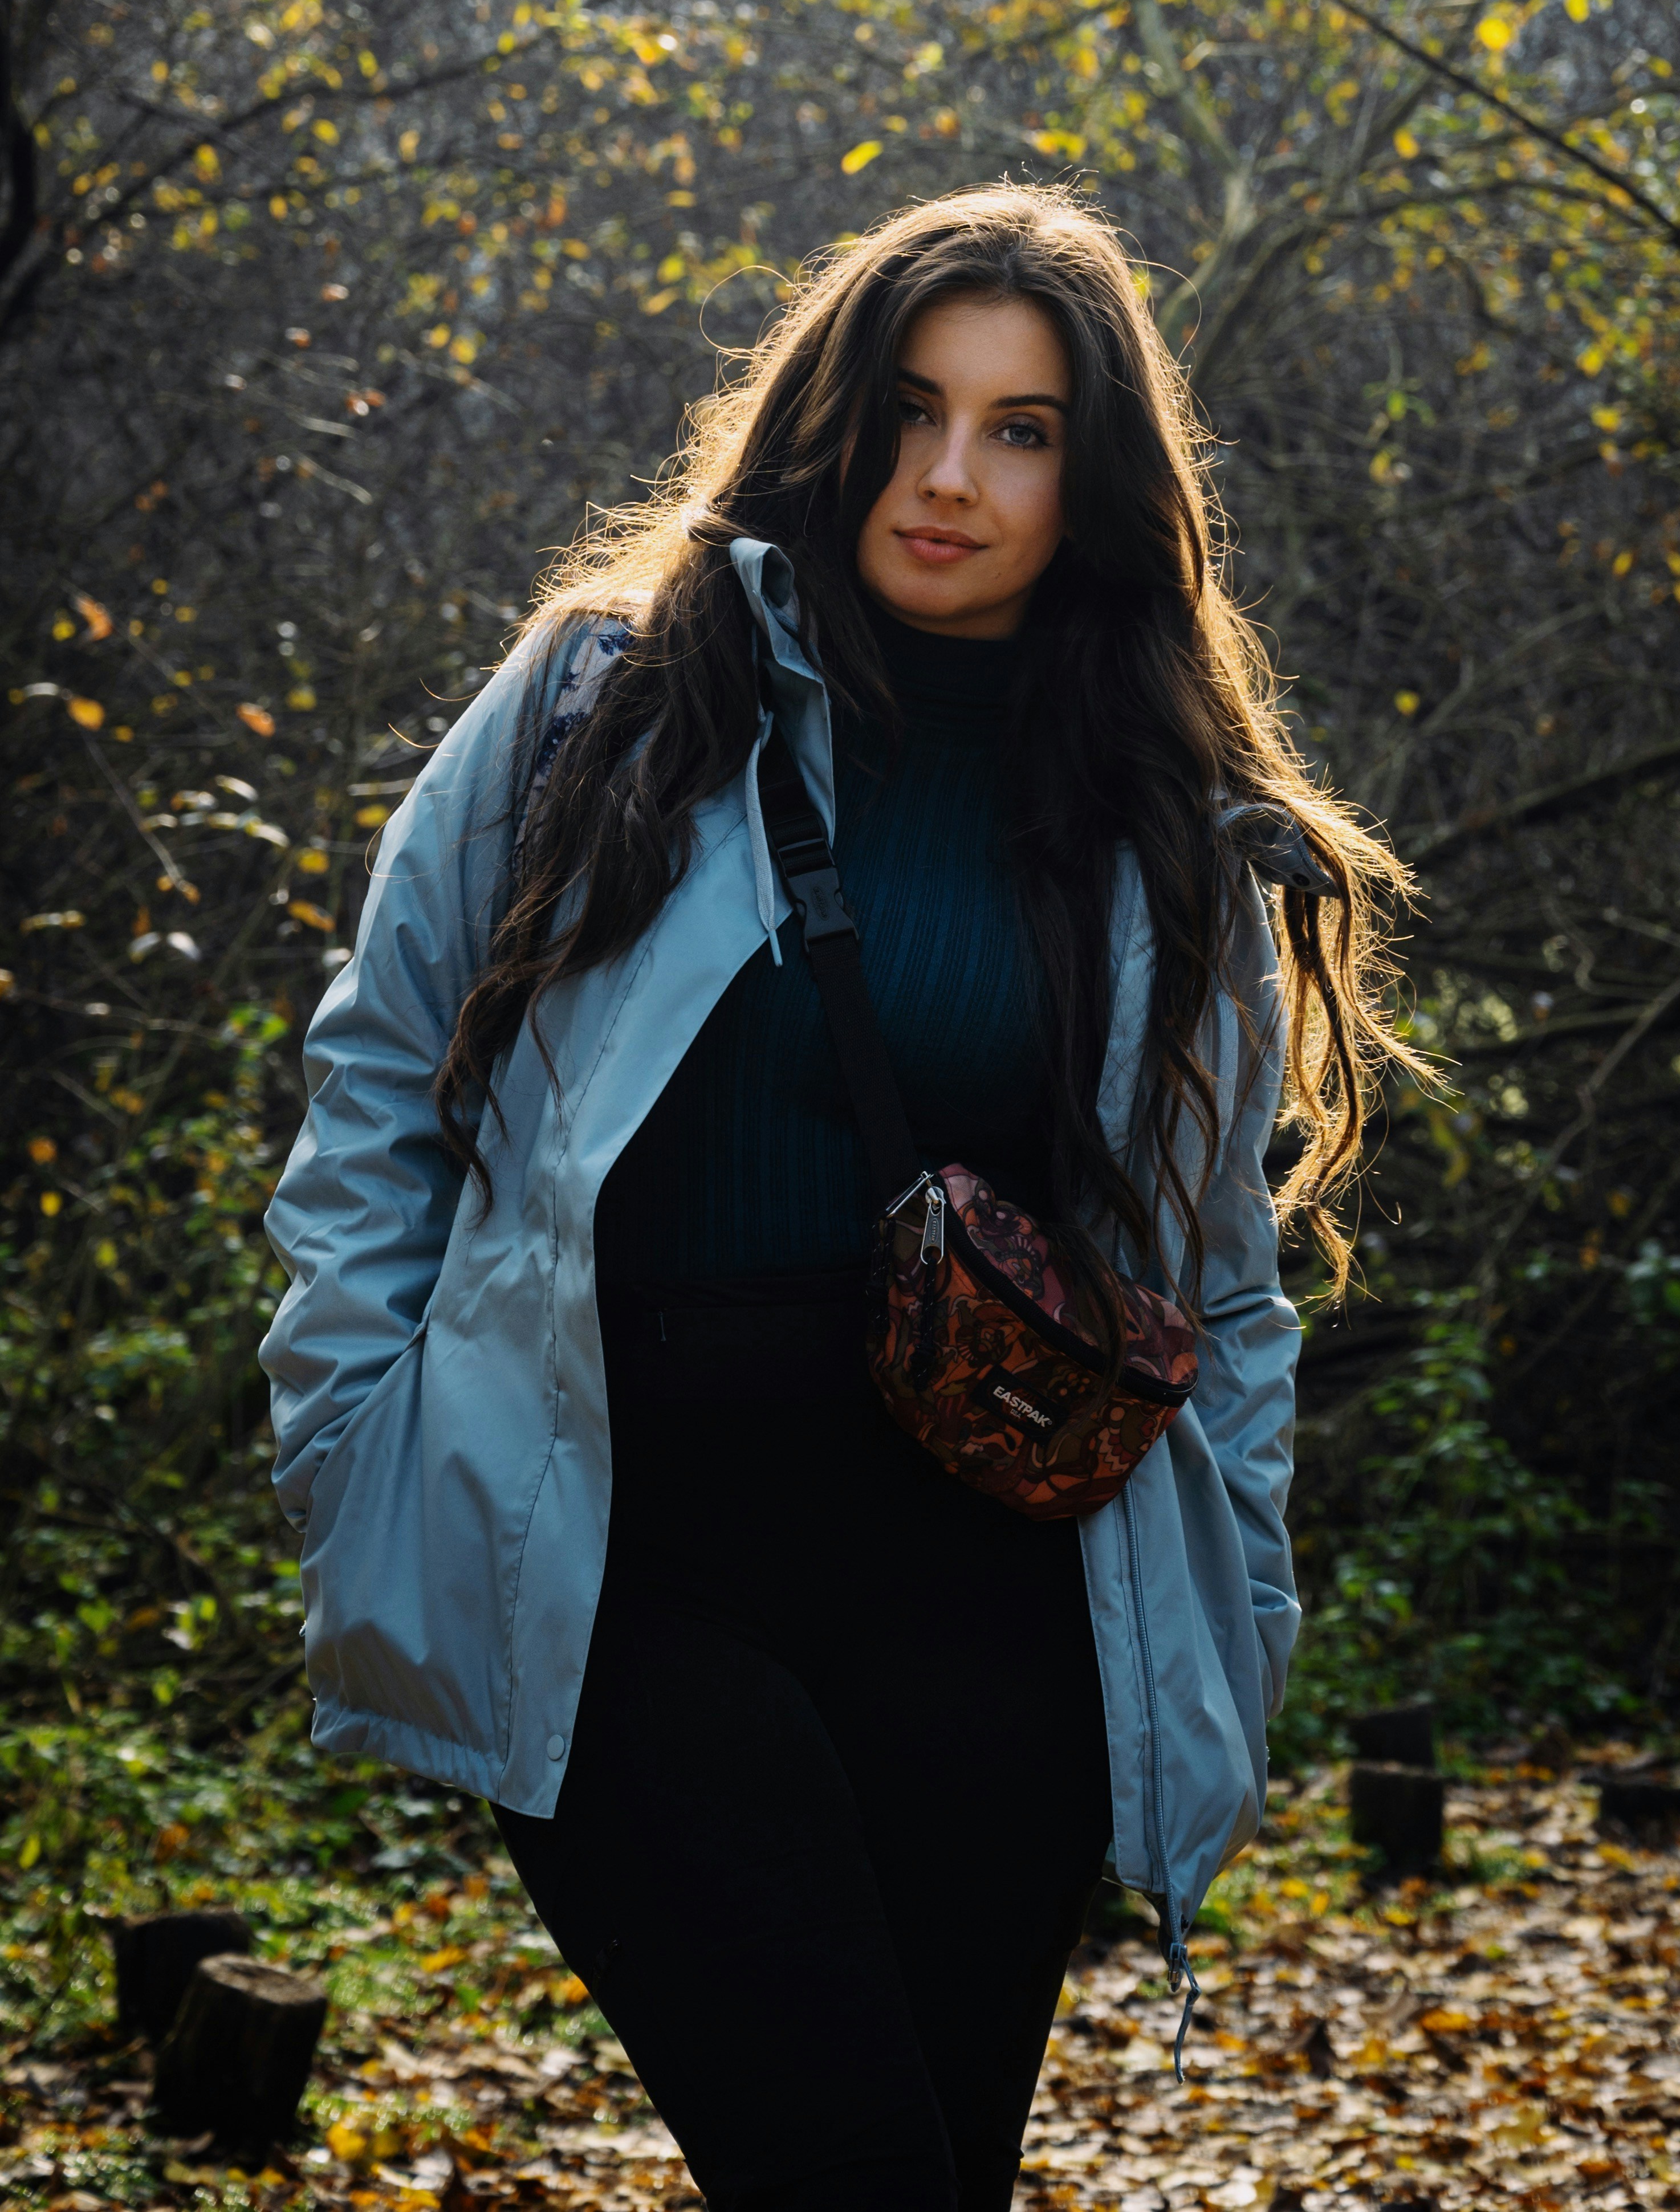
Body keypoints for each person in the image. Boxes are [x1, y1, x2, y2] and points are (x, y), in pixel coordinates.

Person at [260, 182, 1413, 2212]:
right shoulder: (596, 706)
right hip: (620, 1561)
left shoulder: (1157, 824)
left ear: (1098, 479)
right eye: (909, 406)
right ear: (829, 416)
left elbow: (1219, 1280)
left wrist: (1227, 1612)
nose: (948, 474)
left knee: (934, 2173)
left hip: (998, 1604)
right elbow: (376, 1084)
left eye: (1022, 428)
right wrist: (357, 1444)